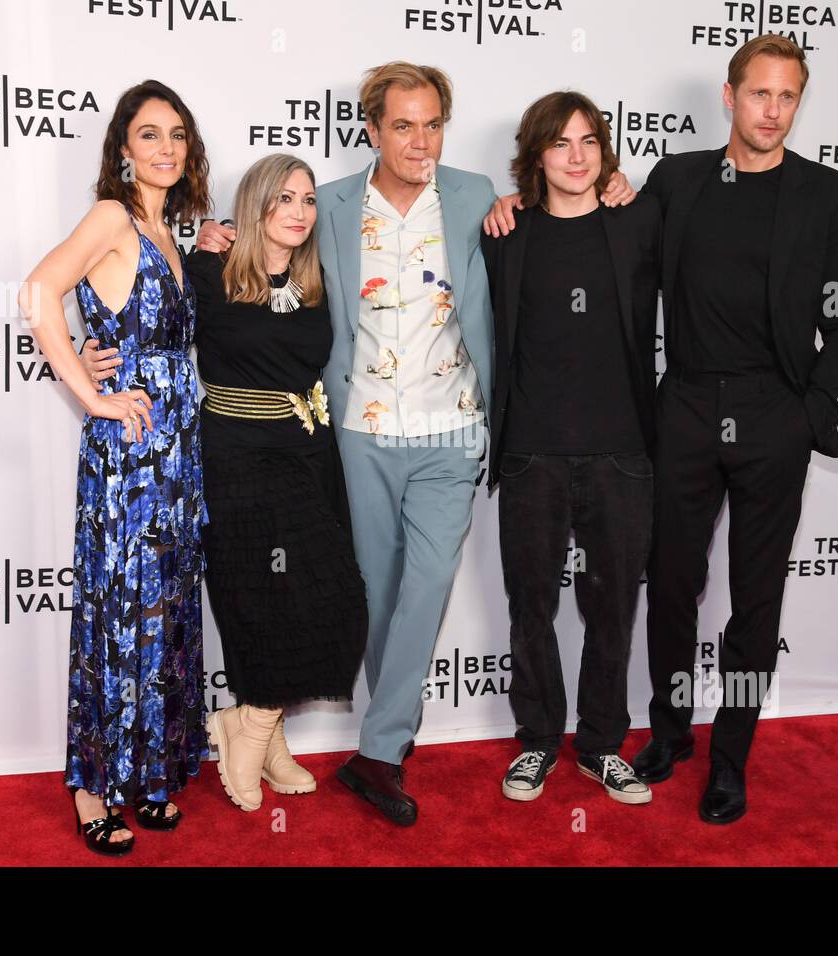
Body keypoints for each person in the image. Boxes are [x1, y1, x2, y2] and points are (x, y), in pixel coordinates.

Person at [198, 63, 635, 827]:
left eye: (433, 123)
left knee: (427, 588)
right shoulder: (327, 206)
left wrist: (620, 180)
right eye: (403, 125)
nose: (420, 140)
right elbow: (268, 261)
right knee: (373, 597)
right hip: (359, 432)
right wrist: (211, 240)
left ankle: (379, 752)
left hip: (453, 430)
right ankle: (365, 739)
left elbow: (571, 187)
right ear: (372, 130)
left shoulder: (476, 199)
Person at [487, 35, 838, 824]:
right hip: (684, 409)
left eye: (786, 96)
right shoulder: (678, 179)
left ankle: (731, 756)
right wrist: (518, 199)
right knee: (668, 590)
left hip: (776, 416)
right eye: (758, 93)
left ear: (799, 102)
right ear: (729, 97)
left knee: (756, 601)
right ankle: (666, 733)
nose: (772, 110)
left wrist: (810, 413)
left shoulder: (830, 195)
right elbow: (595, 236)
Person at [20, 79, 211, 855]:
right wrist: (91, 395)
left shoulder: (171, 232)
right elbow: (38, 292)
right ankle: (93, 788)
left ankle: (148, 774)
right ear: (123, 152)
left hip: (179, 454)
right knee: (116, 612)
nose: (166, 148)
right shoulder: (109, 217)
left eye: (178, 135)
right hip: (130, 454)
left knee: (163, 613)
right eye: (149, 135)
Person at [481, 92, 661, 805]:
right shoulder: (505, 231)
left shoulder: (637, 220)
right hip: (532, 452)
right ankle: (536, 741)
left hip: (622, 451)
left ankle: (602, 744)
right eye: (561, 144)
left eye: (590, 142)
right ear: (536, 156)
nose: (578, 157)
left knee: (613, 604)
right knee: (531, 604)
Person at [192, 154, 366, 812]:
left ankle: (253, 727)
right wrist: (96, 356)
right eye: (283, 199)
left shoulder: (314, 277)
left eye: (307, 199)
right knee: (257, 601)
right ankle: (255, 734)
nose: (298, 211)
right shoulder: (209, 270)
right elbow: (150, 330)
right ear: (255, 206)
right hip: (236, 456)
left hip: (308, 452)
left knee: (325, 597)